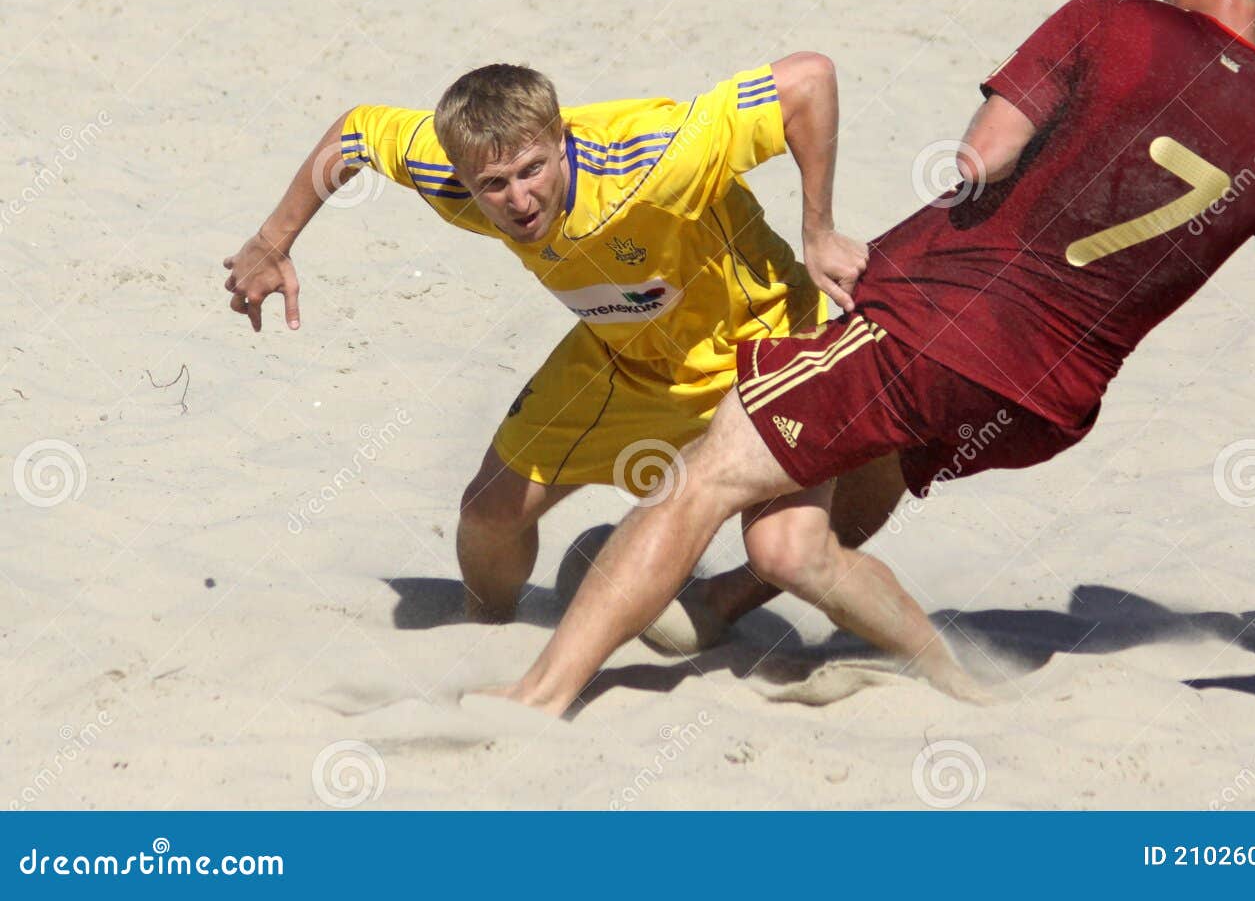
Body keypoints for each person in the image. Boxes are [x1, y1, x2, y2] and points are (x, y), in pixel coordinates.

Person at [478, 0, 1255, 716]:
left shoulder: (1111, 18)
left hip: (936, 321)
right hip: (1045, 399)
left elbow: (989, 150)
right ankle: (944, 673)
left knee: (705, 478)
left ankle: (540, 696)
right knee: (790, 536)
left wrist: (986, 162)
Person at [221, 53, 878, 624]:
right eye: (494, 185)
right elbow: (357, 130)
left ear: (560, 136)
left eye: (533, 169)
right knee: (487, 515)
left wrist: (818, 229)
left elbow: (808, 80)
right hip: (625, 355)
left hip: (761, 349)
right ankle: (489, 631)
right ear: (462, 174)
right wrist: (271, 241)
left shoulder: (651, 156)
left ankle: (726, 605)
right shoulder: (447, 170)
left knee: (783, 547)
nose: (518, 200)